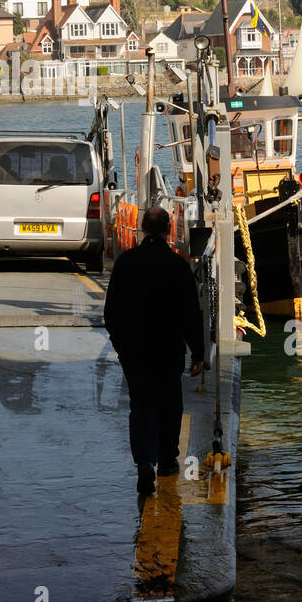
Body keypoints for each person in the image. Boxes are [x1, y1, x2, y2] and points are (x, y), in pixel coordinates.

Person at [103, 206, 205, 497]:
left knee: (141, 405)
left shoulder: (125, 263)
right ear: (169, 230)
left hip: (135, 351)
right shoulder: (178, 265)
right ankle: (167, 459)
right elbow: (190, 314)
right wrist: (198, 352)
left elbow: (110, 312)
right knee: (170, 402)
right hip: (168, 349)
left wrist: (120, 345)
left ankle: (144, 462)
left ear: (142, 229)